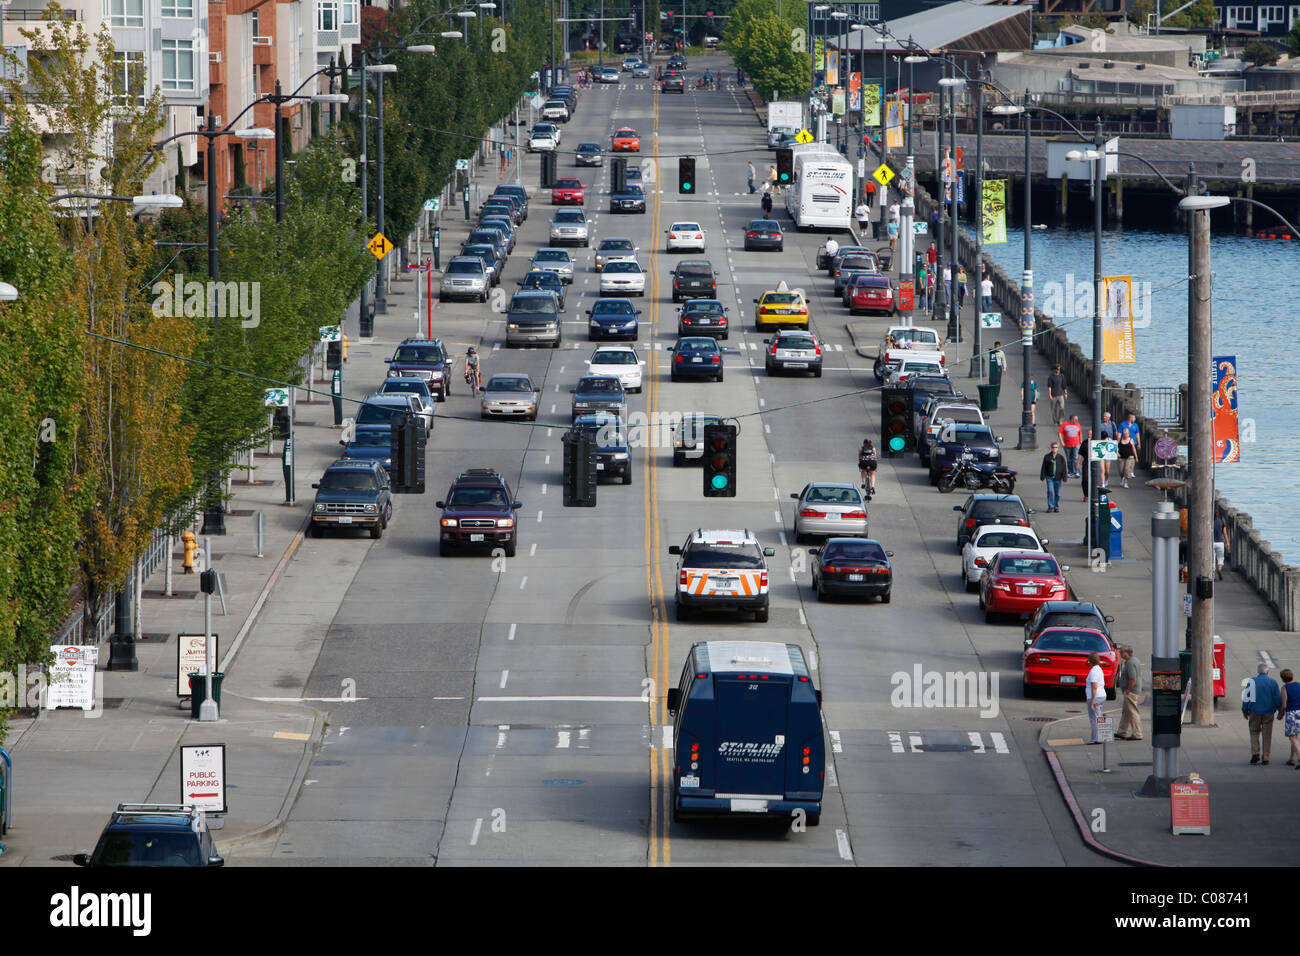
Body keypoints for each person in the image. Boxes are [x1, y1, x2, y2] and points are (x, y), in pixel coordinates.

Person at [1244, 663, 1283, 765]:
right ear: (1268, 671)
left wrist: (1245, 710)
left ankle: (1255, 753)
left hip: (1254, 711)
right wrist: (1280, 712)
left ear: (1258, 671)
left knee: (1254, 732)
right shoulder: (1272, 682)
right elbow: (1277, 698)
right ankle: (1266, 757)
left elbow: (1246, 698)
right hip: (1268, 712)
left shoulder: (1252, 682)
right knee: (1267, 734)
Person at [1114, 646, 1144, 740]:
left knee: (1133, 712)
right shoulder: (1133, 660)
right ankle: (1122, 732)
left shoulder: (1130, 663)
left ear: (1126, 653)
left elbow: (1132, 678)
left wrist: (1128, 690)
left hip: (1131, 691)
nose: (1120, 654)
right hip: (1131, 691)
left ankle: (1137, 734)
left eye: (1121, 652)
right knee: (1126, 712)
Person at [1085, 652, 1107, 744]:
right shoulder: (1099, 669)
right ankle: (1100, 736)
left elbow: (1094, 686)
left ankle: (1096, 738)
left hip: (1095, 696)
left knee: (1094, 718)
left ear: (1090, 661)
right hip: (1102, 695)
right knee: (1098, 716)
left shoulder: (1093, 671)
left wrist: (1093, 700)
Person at [1280, 668, 1300, 766]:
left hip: (1291, 713)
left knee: (1292, 736)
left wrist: (1280, 714)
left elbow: (1284, 705)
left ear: (1282, 679)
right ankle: (1291, 758)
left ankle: (1299, 757)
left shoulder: (1285, 688)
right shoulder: (1299, 685)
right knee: (1295, 735)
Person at [1040, 442, 1067, 513]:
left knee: (1057, 493)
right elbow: (1044, 467)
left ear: (1058, 449)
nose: (1055, 449)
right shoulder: (1047, 456)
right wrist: (1042, 476)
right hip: (1050, 477)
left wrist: (1064, 477)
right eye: (1053, 447)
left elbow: (1064, 468)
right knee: (1050, 491)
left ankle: (1056, 506)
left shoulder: (1061, 457)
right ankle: (1050, 506)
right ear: (1051, 448)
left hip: (1058, 478)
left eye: (1056, 447)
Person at [1097, 411, 1117, 488]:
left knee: (1107, 470)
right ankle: (1102, 483)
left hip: (1109, 445)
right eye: (1103, 416)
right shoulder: (1100, 424)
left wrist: (1116, 443)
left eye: (1105, 416)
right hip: (1101, 444)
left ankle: (1106, 479)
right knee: (1102, 469)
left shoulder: (1112, 424)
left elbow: (1115, 433)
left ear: (1109, 417)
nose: (1104, 417)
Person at [1214, 513, 1229, 579]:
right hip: (1220, 542)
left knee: (1212, 558)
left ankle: (1212, 574)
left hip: (1212, 542)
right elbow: (1225, 533)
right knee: (1220, 558)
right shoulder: (1221, 522)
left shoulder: (1209, 521)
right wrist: (1227, 542)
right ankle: (1219, 570)